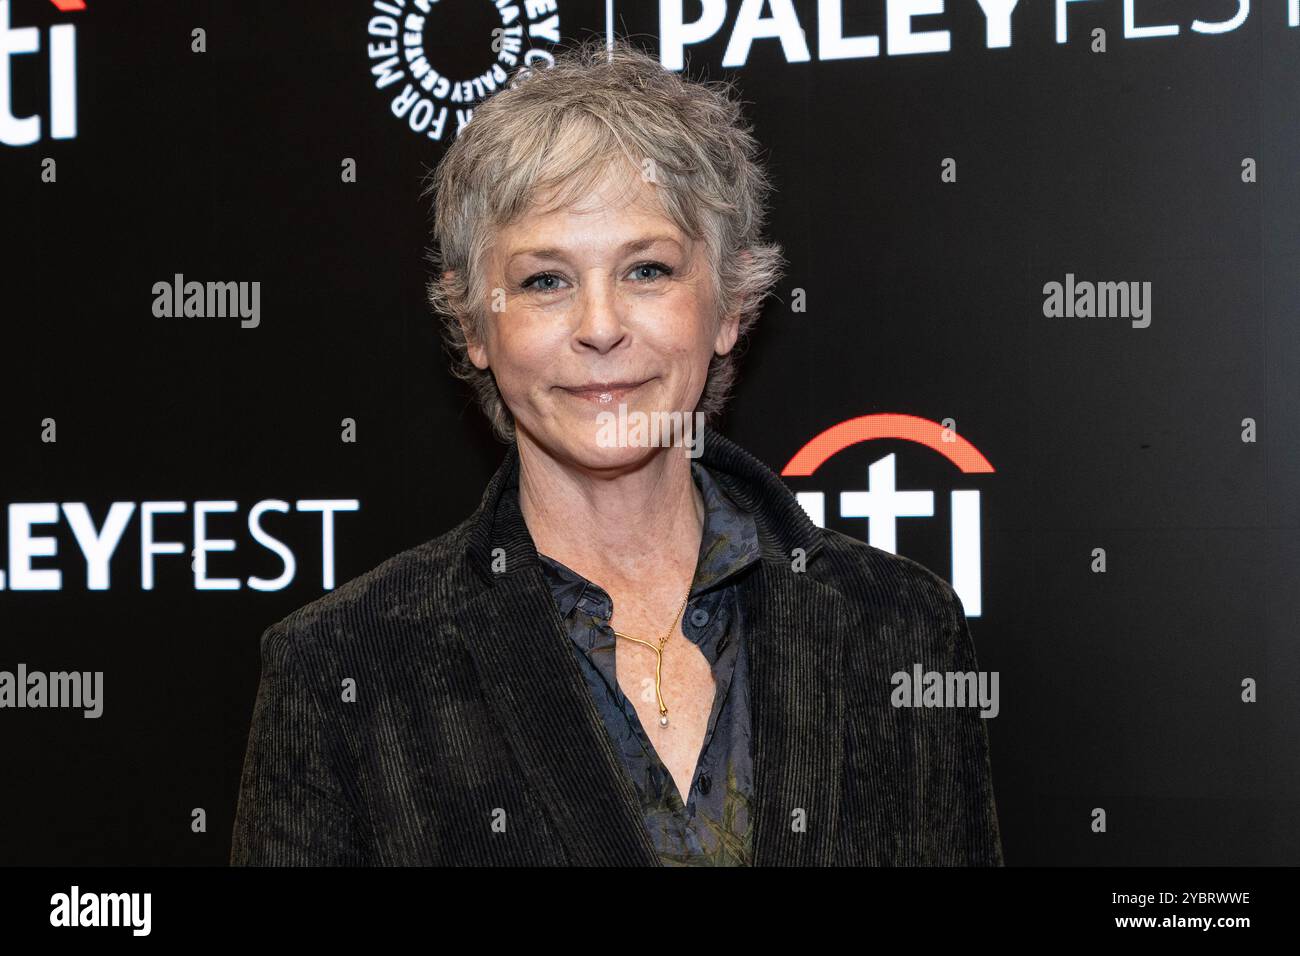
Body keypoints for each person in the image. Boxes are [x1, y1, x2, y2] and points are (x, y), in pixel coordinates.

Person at [229, 36, 1003, 866]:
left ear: (730, 306)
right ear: (475, 325)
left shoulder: (900, 627)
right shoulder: (344, 669)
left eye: (647, 270)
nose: (600, 327)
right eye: (544, 281)